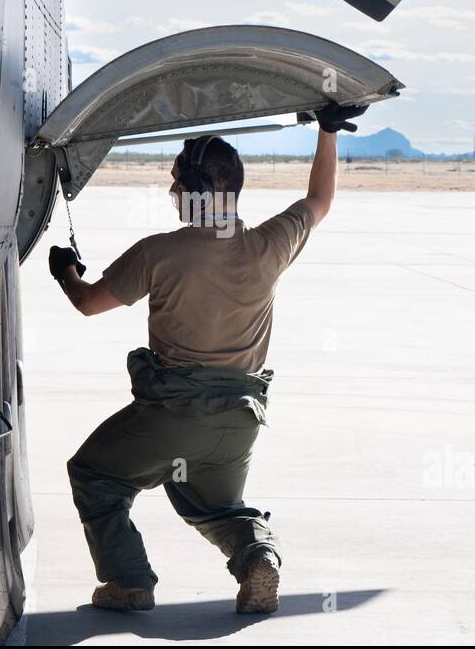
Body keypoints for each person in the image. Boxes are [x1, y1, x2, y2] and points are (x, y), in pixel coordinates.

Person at [48, 100, 367, 614]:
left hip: (174, 415)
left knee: (94, 475)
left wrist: (64, 270)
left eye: (177, 182)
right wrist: (327, 133)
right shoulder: (270, 244)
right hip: (238, 423)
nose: (172, 191)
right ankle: (257, 555)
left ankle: (129, 583)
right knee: (215, 508)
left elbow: (88, 304)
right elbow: (320, 200)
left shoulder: (159, 252)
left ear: (196, 192)